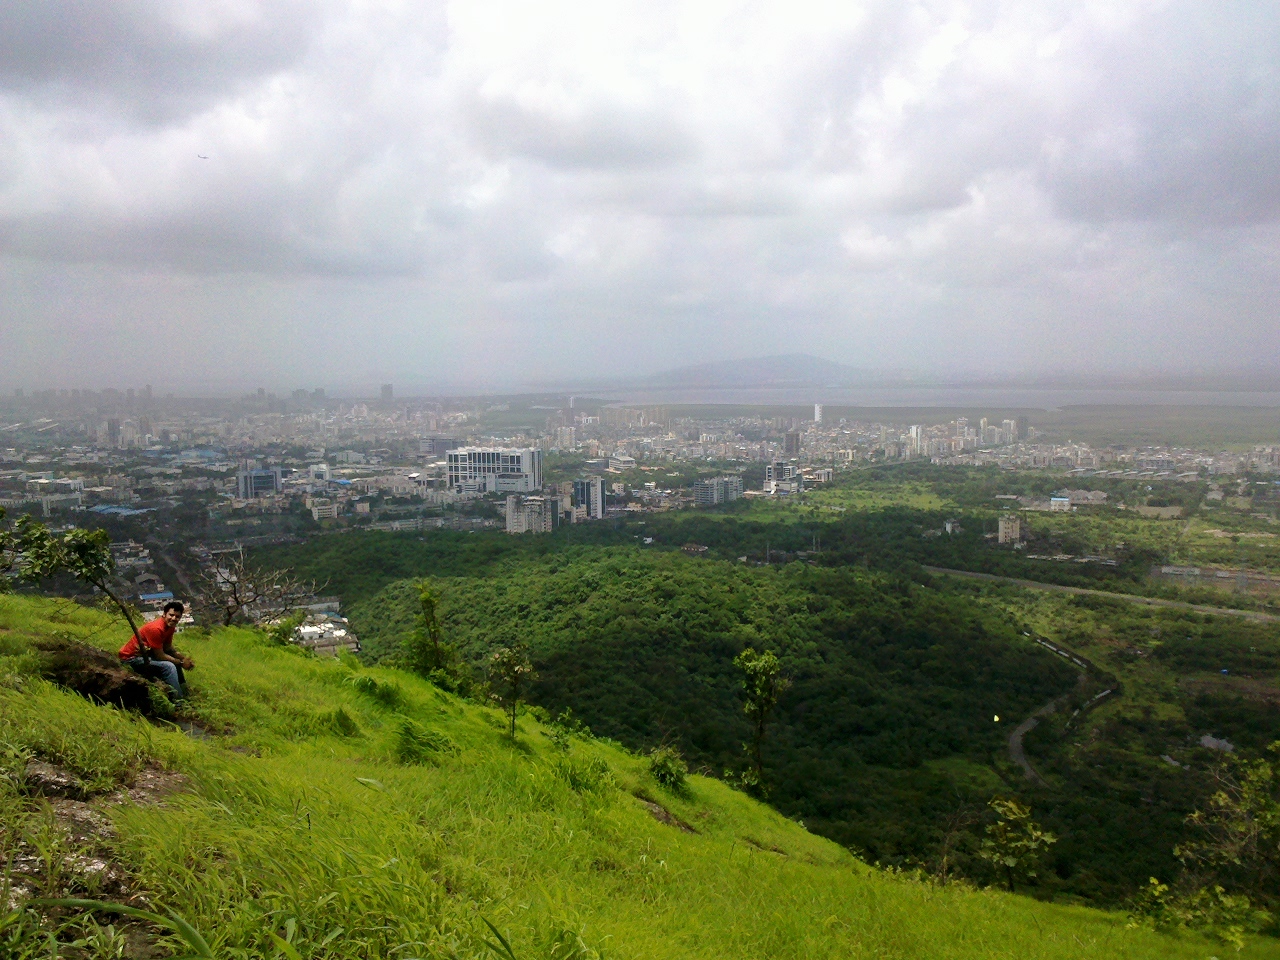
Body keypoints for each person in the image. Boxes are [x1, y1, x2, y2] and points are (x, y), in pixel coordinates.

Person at [119, 600, 194, 700]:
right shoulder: (156, 628)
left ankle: (184, 691)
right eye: (171, 615)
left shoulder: (170, 627)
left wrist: (183, 659)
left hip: (146, 654)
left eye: (177, 616)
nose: (173, 618)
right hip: (131, 658)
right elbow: (160, 655)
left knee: (174, 662)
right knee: (169, 667)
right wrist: (180, 663)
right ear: (164, 614)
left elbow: (168, 648)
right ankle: (178, 701)